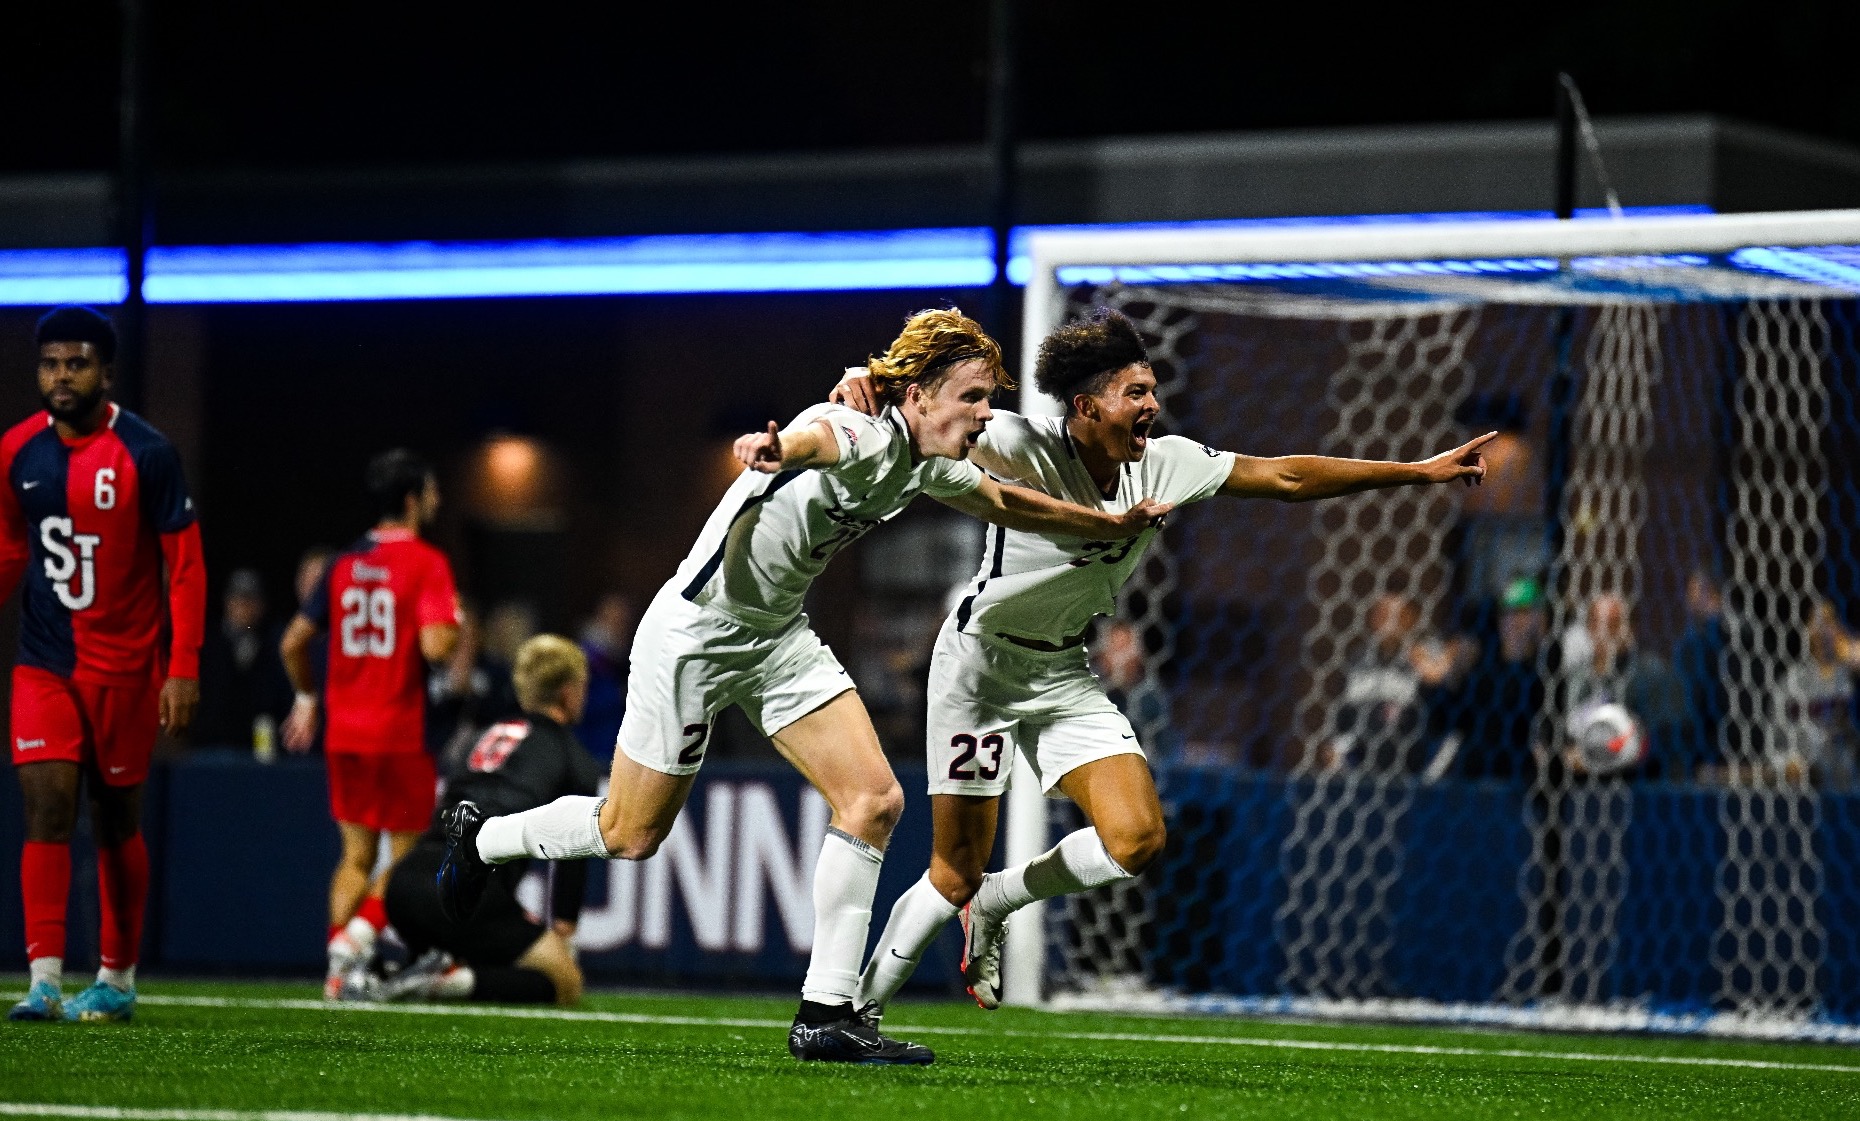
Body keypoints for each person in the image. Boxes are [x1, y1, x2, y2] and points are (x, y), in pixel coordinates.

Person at [438, 307, 1168, 1065]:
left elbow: (1004, 500)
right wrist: (772, 446)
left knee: (874, 800)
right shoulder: (858, 430)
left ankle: (826, 1013)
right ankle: (483, 836)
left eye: (990, 399)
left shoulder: (924, 459)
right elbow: (816, 437)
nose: (986, 415)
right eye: (973, 397)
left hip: (779, 637)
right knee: (631, 833)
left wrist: (1106, 525)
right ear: (918, 394)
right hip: (696, 635)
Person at [829, 307, 1492, 1021]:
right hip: (979, 670)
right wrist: (865, 381)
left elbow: (1284, 476)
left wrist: (1417, 472)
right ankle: (854, 1013)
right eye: (1135, 392)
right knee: (954, 871)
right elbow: (927, 414)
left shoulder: (1168, 461)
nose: (1152, 405)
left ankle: (999, 898)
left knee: (1138, 839)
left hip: (1062, 672)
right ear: (1087, 407)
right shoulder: (1020, 442)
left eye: (1152, 390)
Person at [3, 306, 206, 1022]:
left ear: (106, 373)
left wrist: (182, 665)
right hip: (43, 663)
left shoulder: (146, 452)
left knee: (116, 821)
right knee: (46, 805)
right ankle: (43, 980)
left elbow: (185, 566)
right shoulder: (16, 450)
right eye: (50, 364)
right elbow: (10, 548)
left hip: (124, 670)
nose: (62, 376)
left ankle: (116, 978)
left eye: (77, 363)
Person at [279, 450, 462, 999]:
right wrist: (453, 623)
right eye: (431, 491)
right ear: (411, 499)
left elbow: (292, 643)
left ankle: (337, 972)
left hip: (344, 733)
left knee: (355, 857)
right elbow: (436, 647)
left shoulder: (342, 564)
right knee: (405, 861)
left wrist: (307, 698)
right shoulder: (427, 562)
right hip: (399, 732)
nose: (437, 500)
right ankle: (354, 941)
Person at [347, 634, 602, 1006]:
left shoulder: (485, 735)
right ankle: (446, 981)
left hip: (404, 883)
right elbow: (572, 857)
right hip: (468, 893)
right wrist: (564, 934)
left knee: (479, 947)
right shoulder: (573, 758)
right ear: (568, 692)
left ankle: (401, 972)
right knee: (565, 983)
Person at [1560, 591, 1685, 778]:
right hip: (1579, 786)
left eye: (1612, 624)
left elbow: (1667, 737)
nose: (1603, 633)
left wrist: (1601, 757)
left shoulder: (1651, 673)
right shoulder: (1576, 679)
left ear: (1630, 629)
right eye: (1595, 623)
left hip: (1637, 785)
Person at [1454, 576, 1546, 781]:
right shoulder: (1480, 666)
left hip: (1520, 777)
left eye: (1523, 612)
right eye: (1508, 612)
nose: (1515, 620)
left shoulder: (1546, 668)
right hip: (1472, 773)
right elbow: (1451, 721)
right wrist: (1453, 676)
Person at [194, 568, 292, 750]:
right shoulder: (207, 644)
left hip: (258, 747)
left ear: (262, 605)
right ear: (227, 602)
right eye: (239, 599)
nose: (244, 607)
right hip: (211, 746)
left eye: (251, 600)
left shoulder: (274, 644)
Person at [575, 592, 634, 758]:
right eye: (617, 621)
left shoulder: (617, 657)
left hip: (610, 748)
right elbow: (581, 703)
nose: (621, 629)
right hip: (590, 748)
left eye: (624, 623)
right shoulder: (585, 658)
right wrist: (618, 695)